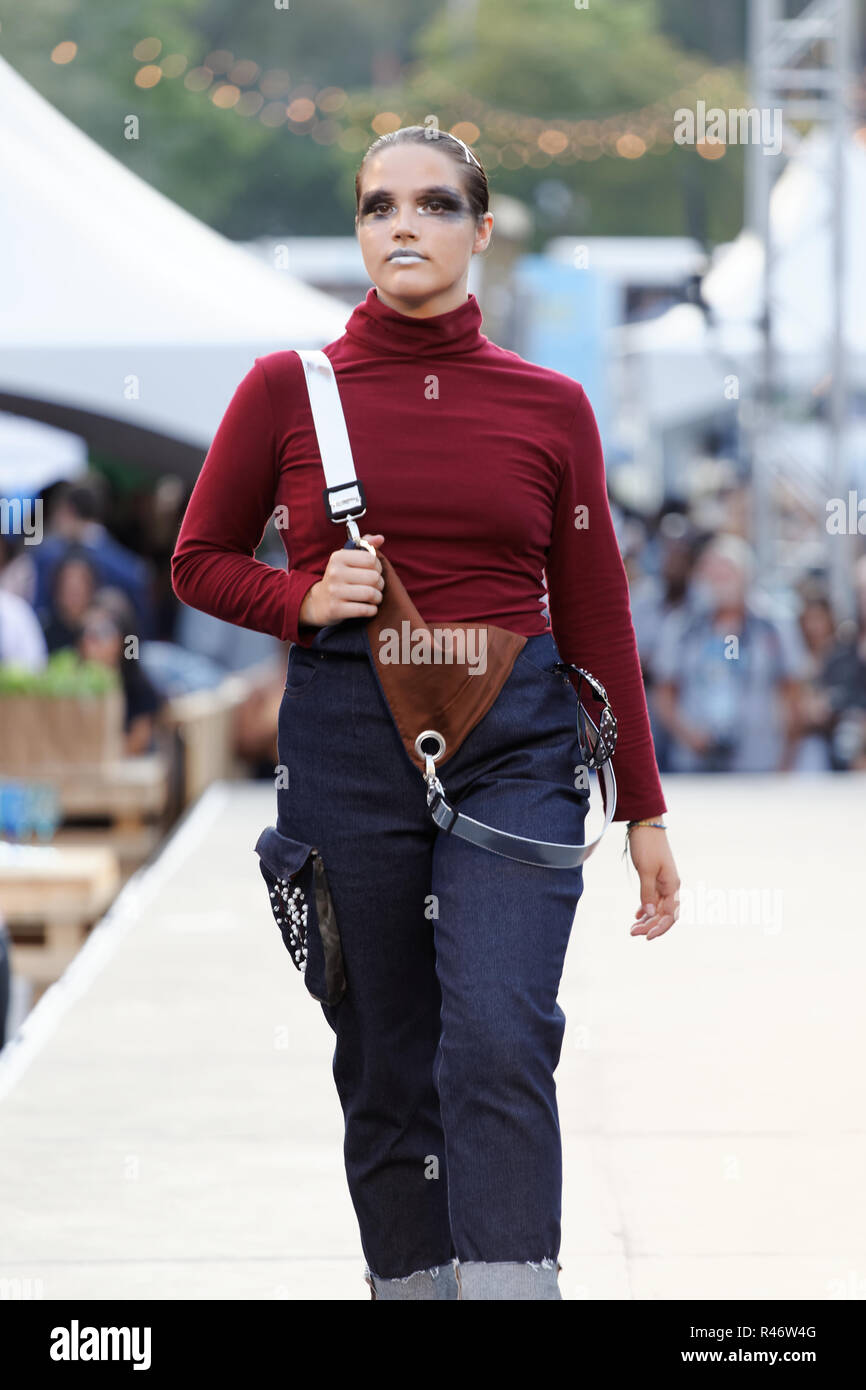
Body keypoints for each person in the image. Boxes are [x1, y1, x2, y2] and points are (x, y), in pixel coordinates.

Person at [171, 126, 680, 1301]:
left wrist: (641, 806)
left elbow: (598, 618)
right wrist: (299, 596)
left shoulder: (552, 406)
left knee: (499, 1037)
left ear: (480, 230)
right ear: (358, 229)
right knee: (388, 1060)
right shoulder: (285, 389)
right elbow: (197, 561)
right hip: (346, 742)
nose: (403, 225)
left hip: (518, 740)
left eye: (435, 205)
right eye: (378, 207)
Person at [653, 534, 807, 773]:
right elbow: (664, 694)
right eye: (712, 573)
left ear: (746, 576)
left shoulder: (774, 625)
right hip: (693, 763)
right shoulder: (681, 626)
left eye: (727, 572)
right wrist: (688, 734)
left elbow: (794, 697)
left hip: (759, 762)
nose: (719, 581)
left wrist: (786, 764)